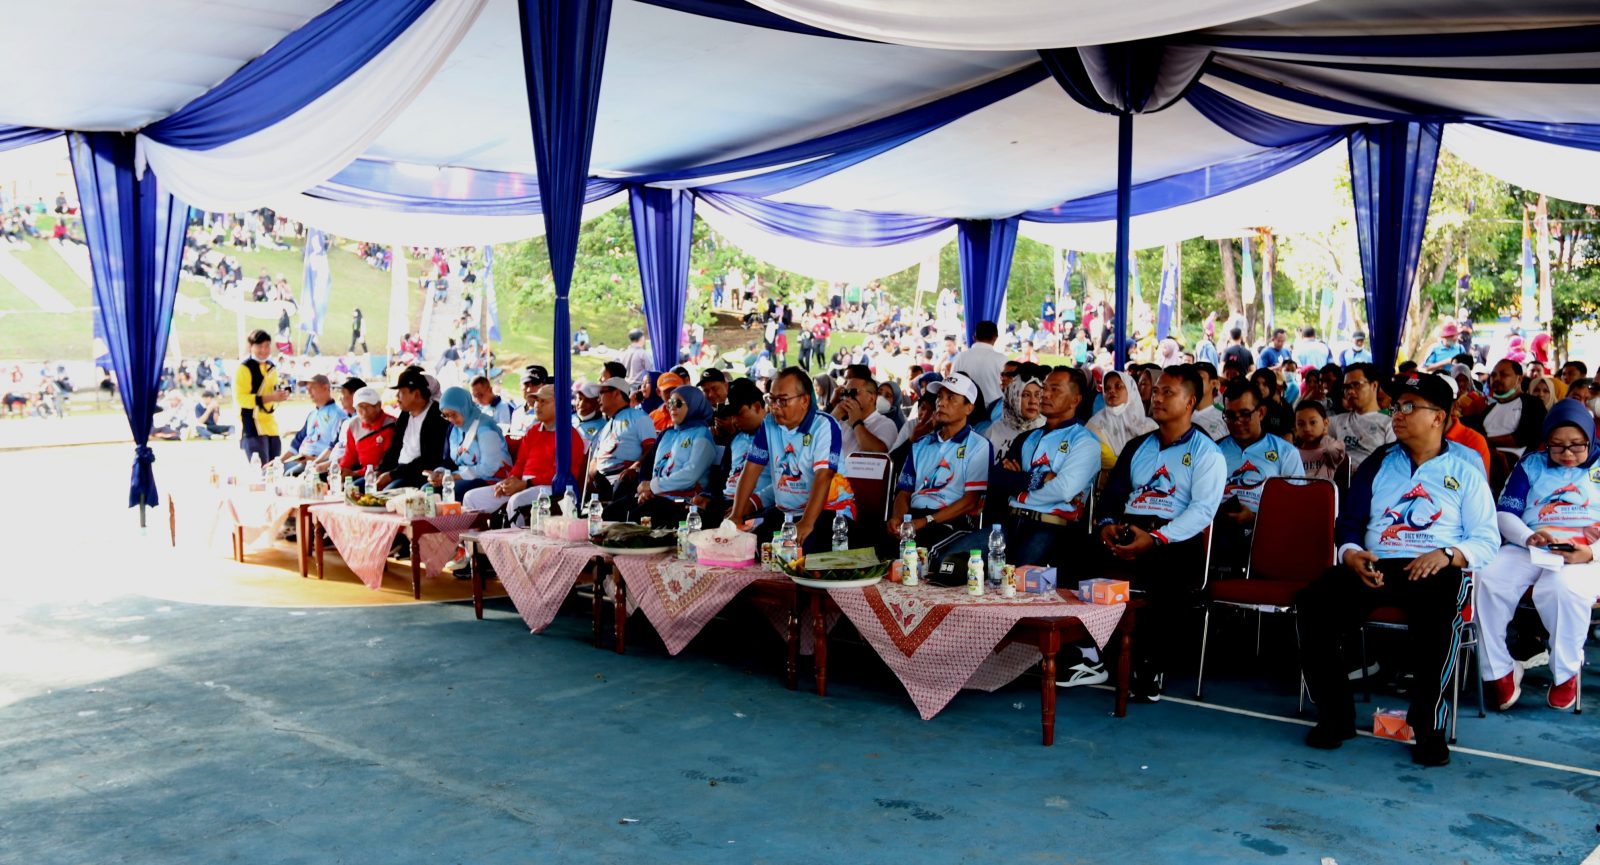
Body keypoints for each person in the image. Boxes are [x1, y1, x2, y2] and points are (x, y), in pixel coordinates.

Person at [1296, 371, 1498, 766]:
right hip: (1376, 565)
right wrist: (1352, 553)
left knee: (1438, 621)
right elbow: (1349, 523)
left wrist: (1448, 554)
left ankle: (1428, 726)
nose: (1398, 415)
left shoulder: (1466, 464)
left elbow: (1487, 539)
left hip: (1436, 568)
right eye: (1396, 406)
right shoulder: (1380, 461)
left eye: (1409, 407)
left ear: (1438, 417)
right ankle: (1336, 717)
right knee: (1314, 602)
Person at [1096, 365, 1227, 702]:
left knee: (1167, 575)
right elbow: (1113, 495)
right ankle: (1086, 655)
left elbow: (1202, 512)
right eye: (1156, 391)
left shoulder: (1206, 452)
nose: (1157, 397)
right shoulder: (1138, 446)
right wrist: (1107, 524)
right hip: (1131, 527)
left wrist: (1155, 539)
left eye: (1168, 392)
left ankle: (1150, 665)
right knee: (1075, 556)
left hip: (1173, 538)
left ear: (1190, 402)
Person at [1477, 400, 1600, 712]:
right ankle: (1499, 670)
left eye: (1576, 445)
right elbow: (1505, 512)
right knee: (1486, 578)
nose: (1567, 454)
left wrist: (1590, 553)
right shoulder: (1532, 464)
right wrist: (1527, 536)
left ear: (1590, 437)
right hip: (1531, 544)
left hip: (1585, 552)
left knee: (1560, 589)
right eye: (1557, 446)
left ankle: (1566, 671)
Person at [729, 366, 843, 554]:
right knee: (753, 547)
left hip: (827, 513)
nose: (775, 407)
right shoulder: (769, 424)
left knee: (800, 554)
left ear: (805, 400)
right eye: (772, 399)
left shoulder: (824, 425)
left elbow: (825, 476)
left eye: (783, 401)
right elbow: (751, 469)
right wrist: (736, 515)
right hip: (785, 513)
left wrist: (806, 523)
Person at [995, 367, 1100, 568]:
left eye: (1055, 389)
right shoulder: (1027, 437)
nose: (1045, 394)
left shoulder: (1085, 441)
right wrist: (1039, 479)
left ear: (1075, 400)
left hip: (1050, 528)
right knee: (951, 562)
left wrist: (1020, 493)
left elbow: (1064, 489)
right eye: (1045, 388)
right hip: (1009, 523)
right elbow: (999, 479)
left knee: (1012, 579)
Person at [887, 373, 991, 548]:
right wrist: (898, 519)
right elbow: (904, 493)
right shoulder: (920, 444)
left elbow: (970, 501)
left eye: (951, 398)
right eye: (940, 397)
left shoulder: (979, 445)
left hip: (951, 521)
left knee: (923, 551)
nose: (941, 403)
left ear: (969, 408)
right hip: (915, 518)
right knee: (876, 549)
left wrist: (925, 521)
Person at [1213, 379, 1306, 569]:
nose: (1237, 422)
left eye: (1245, 414)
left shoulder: (1285, 453)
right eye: (1230, 415)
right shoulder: (1214, 451)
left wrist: (1254, 517)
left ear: (1261, 413)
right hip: (1217, 530)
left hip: (1268, 533)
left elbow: (1297, 509)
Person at [463, 385, 586, 520]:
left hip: (552, 488)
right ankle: (476, 541)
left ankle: (517, 541)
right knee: (471, 498)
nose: (537, 405)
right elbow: (520, 463)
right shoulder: (533, 431)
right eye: (537, 401)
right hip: (525, 484)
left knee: (516, 501)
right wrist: (510, 481)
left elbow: (561, 474)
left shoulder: (569, 435)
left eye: (543, 401)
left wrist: (526, 484)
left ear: (559, 405)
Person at [633, 385, 717, 525]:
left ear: (693, 405)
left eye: (677, 403)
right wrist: (646, 491)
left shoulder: (702, 434)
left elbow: (690, 475)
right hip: (657, 497)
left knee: (635, 517)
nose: (671, 407)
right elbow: (648, 466)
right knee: (614, 511)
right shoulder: (668, 433)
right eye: (670, 403)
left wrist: (653, 486)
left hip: (682, 502)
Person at [695, 379, 773, 527]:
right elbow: (723, 475)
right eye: (732, 416)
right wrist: (708, 496)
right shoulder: (736, 439)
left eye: (739, 414)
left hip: (757, 504)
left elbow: (784, 483)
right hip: (728, 499)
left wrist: (752, 503)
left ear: (757, 407)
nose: (734, 421)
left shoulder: (776, 436)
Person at [375, 367, 452, 490]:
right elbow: (395, 447)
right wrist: (382, 470)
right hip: (398, 471)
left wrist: (392, 475)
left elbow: (430, 459)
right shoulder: (405, 414)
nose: (397, 396)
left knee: (388, 493)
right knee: (361, 486)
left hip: (418, 475)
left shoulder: (437, 416)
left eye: (401, 392)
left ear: (416, 394)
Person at [586, 376, 658, 507]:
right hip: (602, 483)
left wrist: (634, 468)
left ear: (616, 393)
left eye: (602, 393)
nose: (598, 398)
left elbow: (651, 449)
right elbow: (595, 461)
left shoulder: (639, 417)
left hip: (625, 482)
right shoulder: (606, 426)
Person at [430, 386, 512, 500]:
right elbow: (449, 460)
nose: (450, 419)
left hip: (492, 479)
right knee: (429, 489)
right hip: (463, 476)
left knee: (453, 490)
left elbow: (489, 468)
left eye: (453, 414)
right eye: (446, 415)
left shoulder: (485, 427)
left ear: (464, 408)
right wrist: (439, 473)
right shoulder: (454, 429)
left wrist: (454, 477)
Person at [1329, 363, 1395, 473]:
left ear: (1374, 385)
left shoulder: (1390, 423)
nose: (1350, 391)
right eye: (1346, 387)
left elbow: (1390, 464)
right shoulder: (1336, 421)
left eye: (1356, 385)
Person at [235, 329, 287, 465]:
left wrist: (282, 393)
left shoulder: (271, 367)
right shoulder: (244, 368)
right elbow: (242, 399)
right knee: (260, 470)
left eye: (267, 346)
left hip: (270, 424)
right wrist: (270, 397)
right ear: (250, 347)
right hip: (252, 425)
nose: (264, 350)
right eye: (259, 346)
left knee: (275, 468)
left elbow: (274, 388)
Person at [1087, 370, 1157, 470]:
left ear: (1130, 389)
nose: (1111, 391)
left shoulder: (1150, 427)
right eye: (1107, 389)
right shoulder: (1094, 424)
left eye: (1118, 386)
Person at [1482, 359, 1547, 461]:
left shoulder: (1532, 403)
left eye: (1503, 375)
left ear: (1519, 379)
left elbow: (1524, 439)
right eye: (1493, 375)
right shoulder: (1489, 408)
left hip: (1519, 466)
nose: (1496, 379)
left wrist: (1483, 441)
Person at [283, 375, 348, 477]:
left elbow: (336, 449)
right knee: (272, 470)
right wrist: (278, 461)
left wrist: (313, 460)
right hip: (302, 460)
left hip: (319, 463)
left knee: (289, 475)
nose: (308, 392)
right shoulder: (312, 414)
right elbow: (296, 443)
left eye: (312, 388)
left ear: (325, 388)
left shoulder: (338, 415)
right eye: (307, 389)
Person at [339, 387, 395, 489]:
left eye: (368, 407)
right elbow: (349, 454)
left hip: (379, 474)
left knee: (352, 489)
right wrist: (342, 470)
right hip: (360, 471)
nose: (364, 412)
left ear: (378, 406)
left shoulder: (391, 424)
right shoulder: (353, 424)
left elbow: (385, 463)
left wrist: (354, 473)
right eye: (360, 407)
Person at [831, 366, 894, 454]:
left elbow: (879, 452)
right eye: (845, 393)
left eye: (853, 392)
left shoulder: (886, 424)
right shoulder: (842, 423)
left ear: (872, 398)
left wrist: (856, 423)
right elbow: (813, 443)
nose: (848, 397)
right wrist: (833, 417)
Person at [984, 370, 1045, 457]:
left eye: (1037, 395)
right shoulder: (994, 431)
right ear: (1013, 398)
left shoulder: (1046, 431)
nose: (1033, 401)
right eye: (1025, 395)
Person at [951, 320, 1007, 409]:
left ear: (974, 337)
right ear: (995, 338)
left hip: (966, 411)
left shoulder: (960, 357)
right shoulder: (1002, 359)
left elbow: (952, 384)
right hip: (994, 413)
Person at [1293, 400, 1346, 483]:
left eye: (1313, 422)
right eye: (1301, 424)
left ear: (1325, 423)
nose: (1307, 429)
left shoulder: (1330, 453)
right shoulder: (1292, 453)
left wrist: (1325, 435)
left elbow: (1330, 449)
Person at [1190, 363, 1227, 440]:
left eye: (1199, 378)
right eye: (1192, 378)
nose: (1194, 382)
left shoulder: (1224, 416)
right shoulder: (1181, 413)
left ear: (1213, 383)